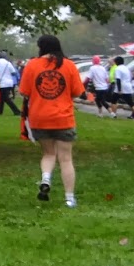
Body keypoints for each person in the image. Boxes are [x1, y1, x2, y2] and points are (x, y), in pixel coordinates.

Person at [20, 35, 84, 207]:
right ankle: (69, 198)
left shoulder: (32, 65)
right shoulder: (69, 65)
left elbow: (24, 91)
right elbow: (77, 91)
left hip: (39, 117)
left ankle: (46, 178)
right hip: (63, 117)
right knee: (66, 159)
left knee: (48, 154)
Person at [111, 55, 134, 120]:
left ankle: (114, 114)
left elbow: (118, 80)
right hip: (128, 86)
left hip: (121, 87)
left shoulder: (118, 69)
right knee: (131, 103)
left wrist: (119, 90)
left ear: (116, 62)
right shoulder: (126, 68)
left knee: (113, 101)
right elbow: (131, 77)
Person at [0, 50, 19, 115]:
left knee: (6, 98)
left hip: (1, 83)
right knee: (2, 98)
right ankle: (0, 111)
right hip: (9, 83)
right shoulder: (8, 63)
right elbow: (13, 72)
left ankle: (17, 111)